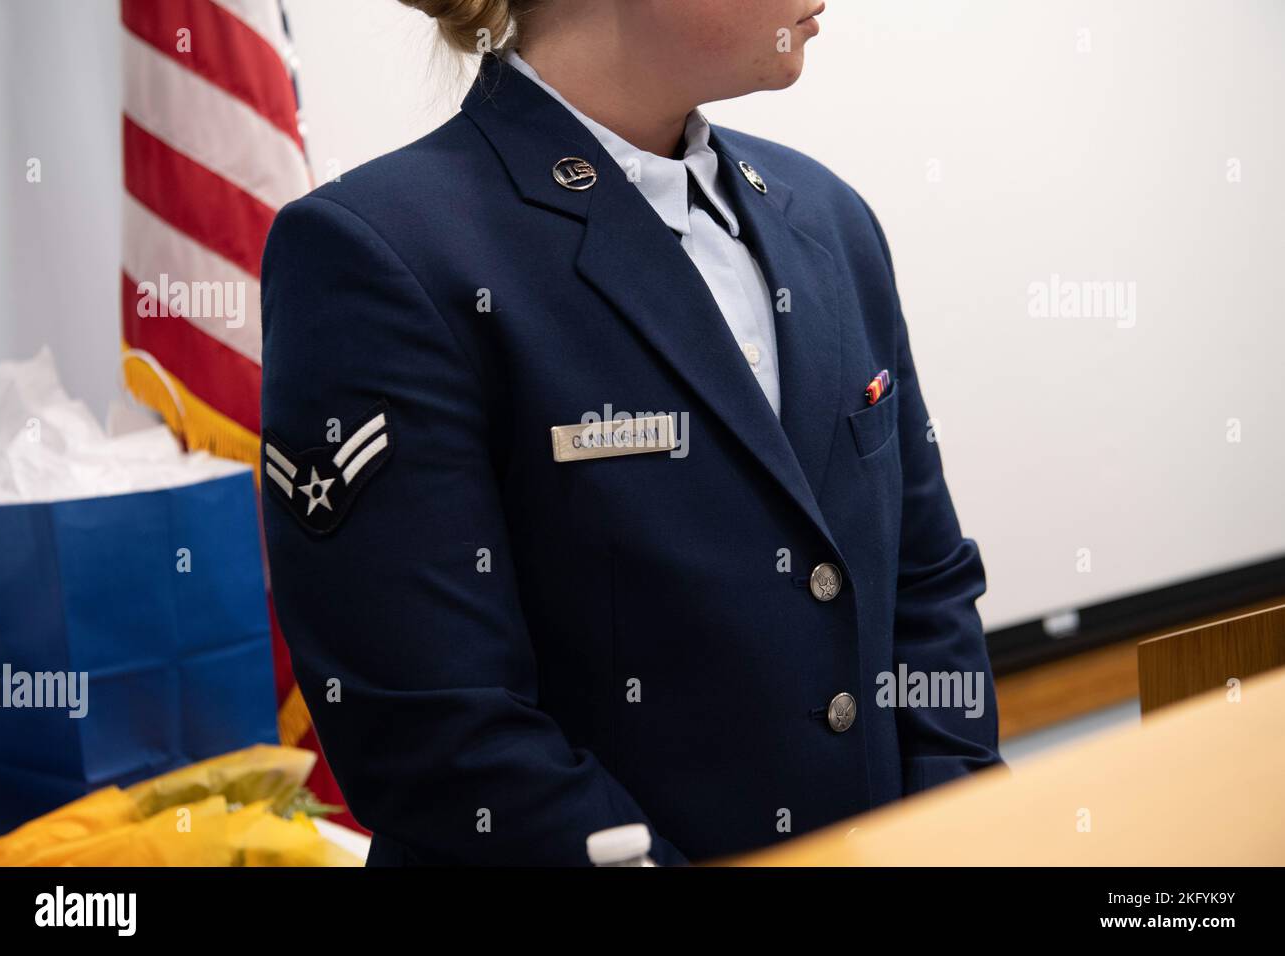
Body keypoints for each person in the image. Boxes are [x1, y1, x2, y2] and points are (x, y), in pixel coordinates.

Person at [259, 0, 1003, 866]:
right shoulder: (382, 252)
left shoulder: (829, 219)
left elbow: (926, 587)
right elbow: (437, 732)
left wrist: (959, 836)